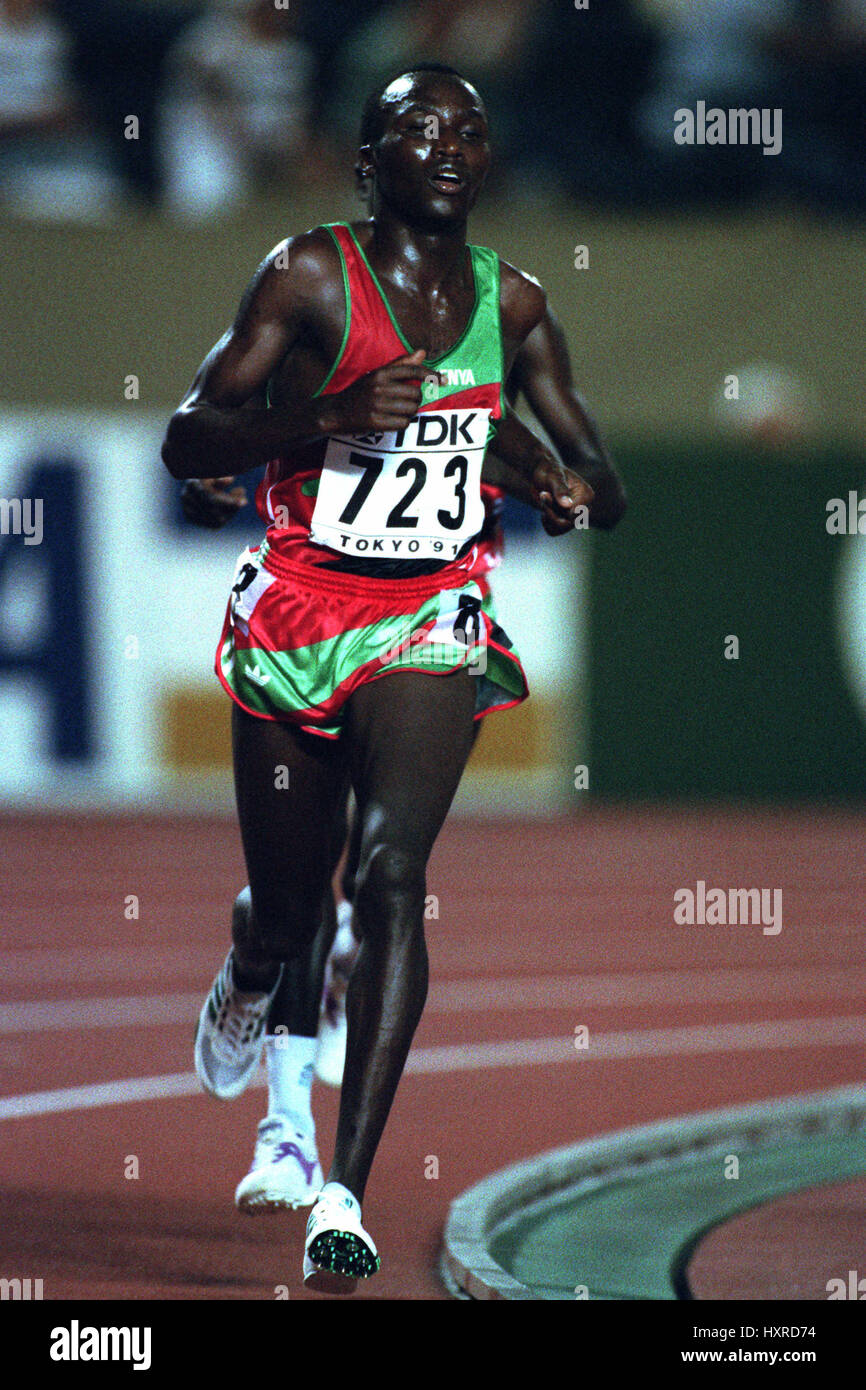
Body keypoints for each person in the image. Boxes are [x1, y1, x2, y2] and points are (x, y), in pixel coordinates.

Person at [163, 62, 618, 1293]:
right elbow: (191, 438)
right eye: (420, 128)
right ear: (369, 163)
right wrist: (330, 412)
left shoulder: (511, 305)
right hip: (305, 601)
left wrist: (571, 493)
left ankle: (341, 1187)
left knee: (392, 873)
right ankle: (254, 969)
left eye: (469, 125)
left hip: (429, 610)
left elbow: (589, 470)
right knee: (293, 900)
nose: (450, 143)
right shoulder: (308, 272)